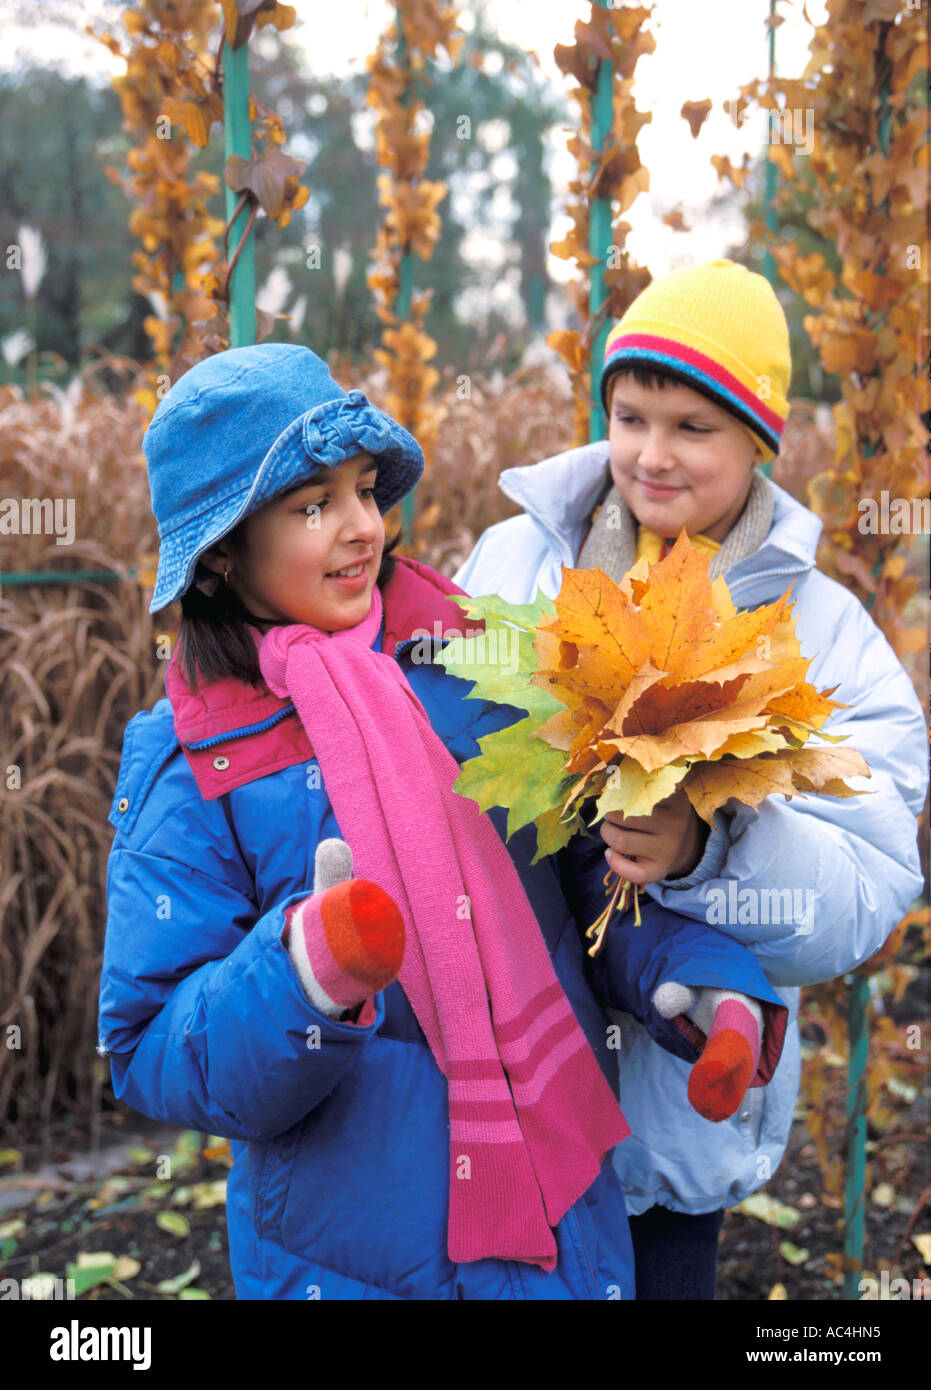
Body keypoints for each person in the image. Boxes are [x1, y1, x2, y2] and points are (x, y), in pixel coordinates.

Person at [98, 342, 790, 1301]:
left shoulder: (471, 662)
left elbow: (580, 878)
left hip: (557, 1231)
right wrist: (306, 974)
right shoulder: (194, 761)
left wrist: (701, 986)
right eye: (311, 506)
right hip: (350, 1258)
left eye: (363, 490)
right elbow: (149, 1045)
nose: (361, 529)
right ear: (220, 556)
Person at [454, 259, 928, 1300]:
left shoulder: (821, 634)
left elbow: (867, 886)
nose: (650, 454)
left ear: (759, 442)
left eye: (691, 428)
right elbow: (445, 758)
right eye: (629, 416)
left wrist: (711, 849)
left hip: (673, 1121)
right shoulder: (511, 565)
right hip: (503, 1099)